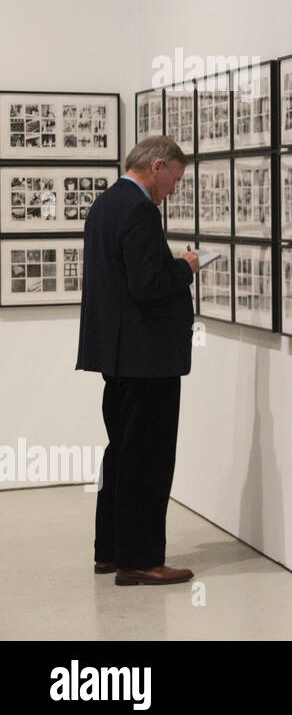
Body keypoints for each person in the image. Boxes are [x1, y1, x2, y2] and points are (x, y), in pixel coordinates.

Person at [76, 136, 199, 586]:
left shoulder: (105, 204)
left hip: (117, 357)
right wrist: (185, 267)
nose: (173, 190)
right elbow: (148, 284)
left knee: (122, 454)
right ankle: (142, 559)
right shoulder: (141, 210)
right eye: (174, 180)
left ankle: (110, 551)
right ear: (157, 166)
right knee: (148, 459)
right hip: (148, 361)